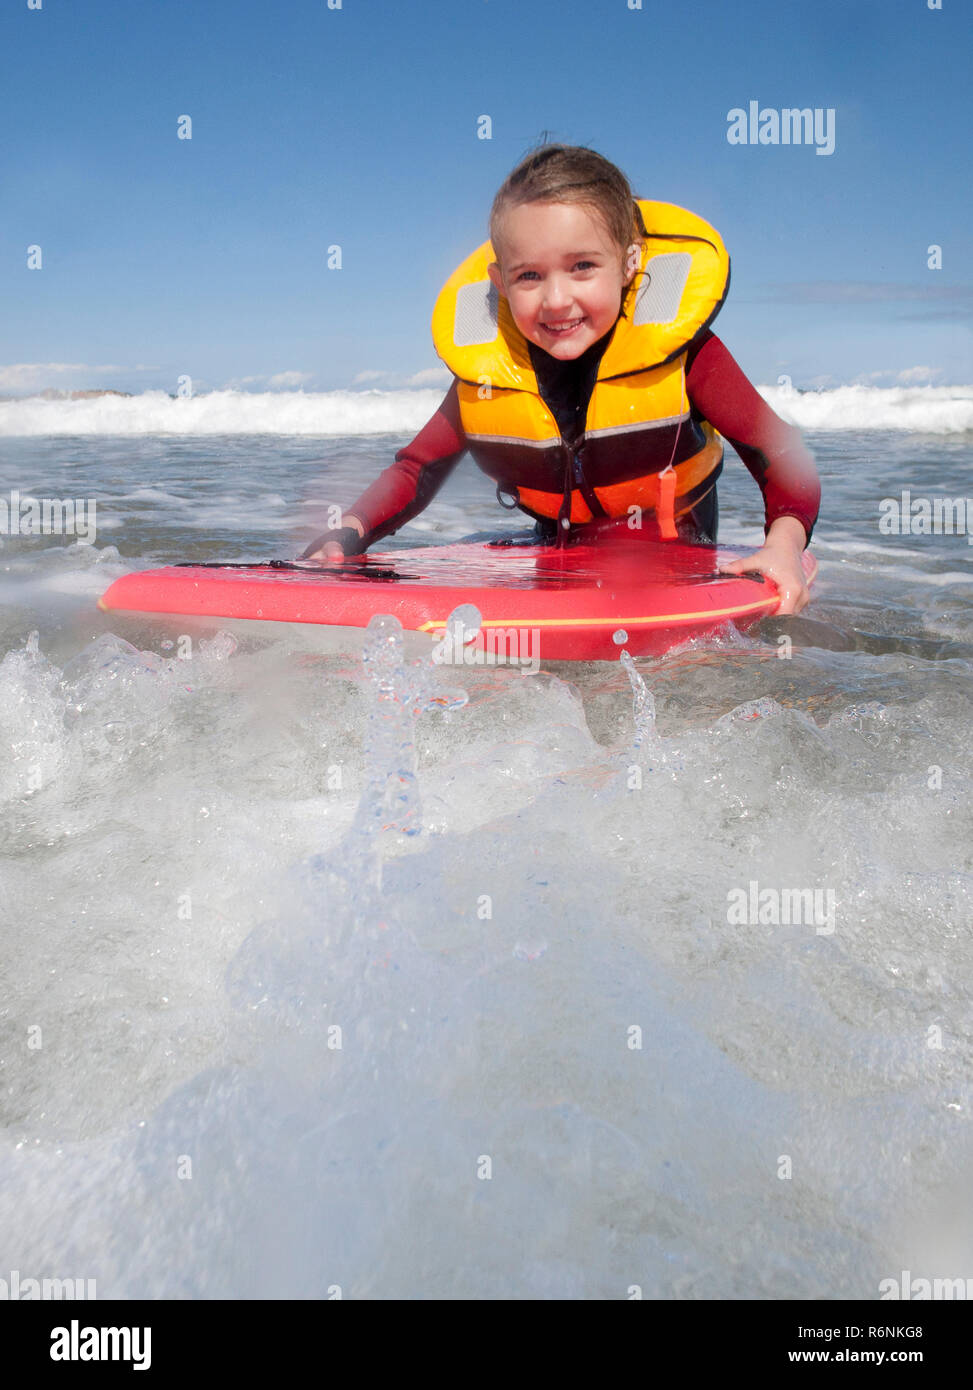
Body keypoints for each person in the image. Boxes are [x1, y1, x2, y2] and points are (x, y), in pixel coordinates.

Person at [302, 144, 820, 614]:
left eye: (582, 267)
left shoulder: (685, 356)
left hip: (676, 563)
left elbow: (779, 454)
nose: (556, 300)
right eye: (530, 275)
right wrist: (349, 532)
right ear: (499, 282)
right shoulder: (493, 372)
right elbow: (417, 470)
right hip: (557, 563)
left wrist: (784, 544)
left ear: (629, 264)